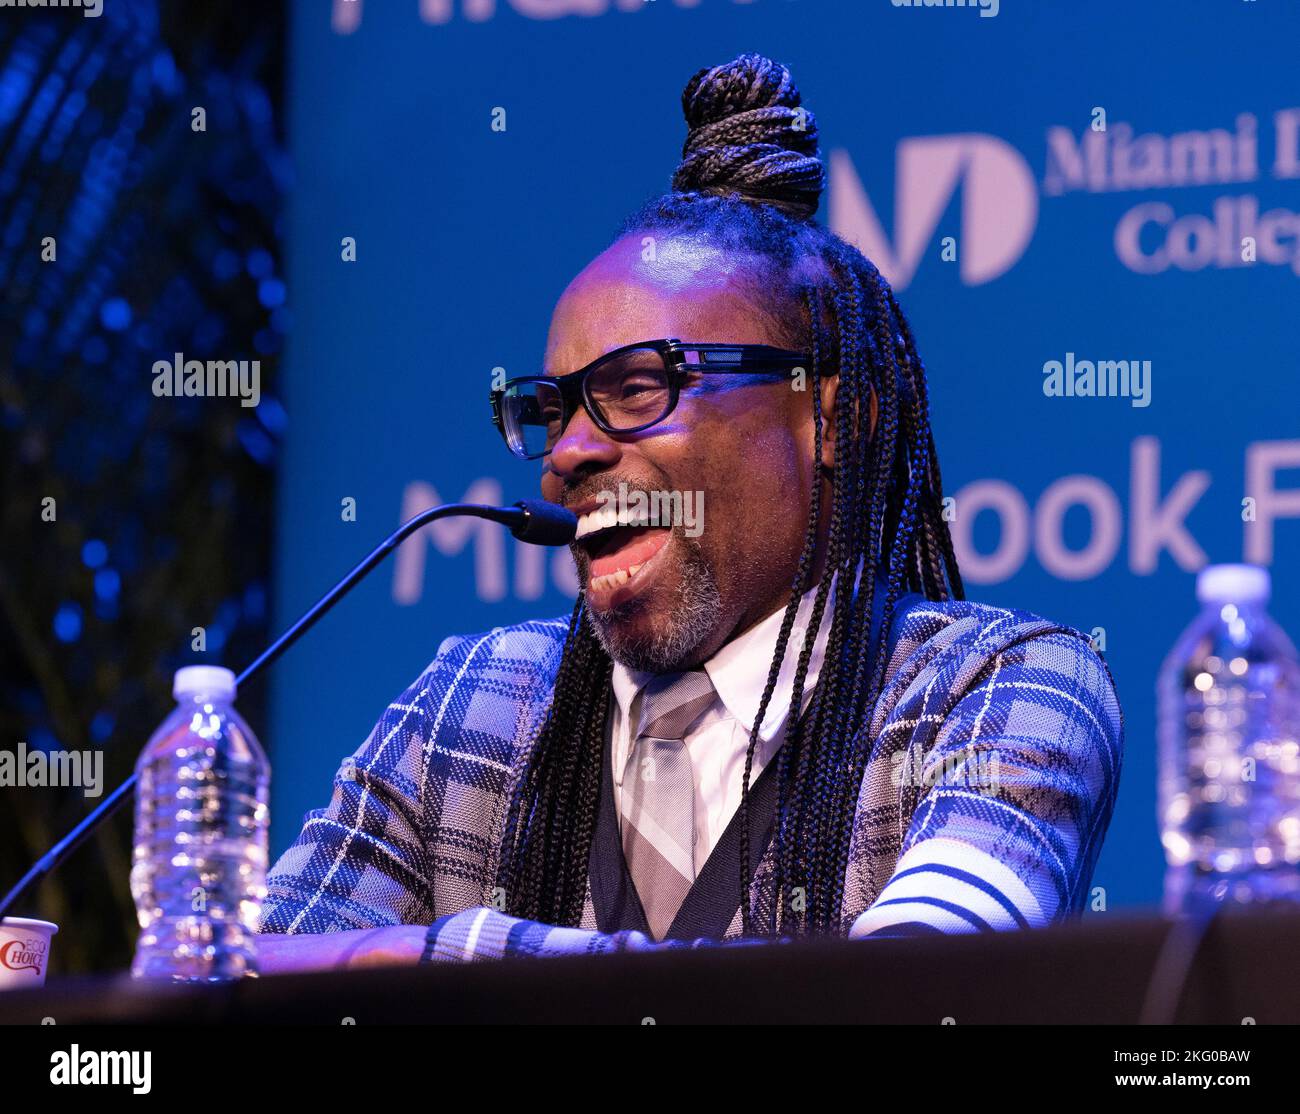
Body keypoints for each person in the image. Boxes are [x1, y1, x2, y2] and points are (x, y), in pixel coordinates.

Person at [255, 52, 1123, 971]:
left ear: (829, 419)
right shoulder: (472, 708)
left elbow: (897, 999)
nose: (570, 455)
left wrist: (444, 959)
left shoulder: (998, 691)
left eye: (637, 388)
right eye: (552, 411)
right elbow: (225, 981)